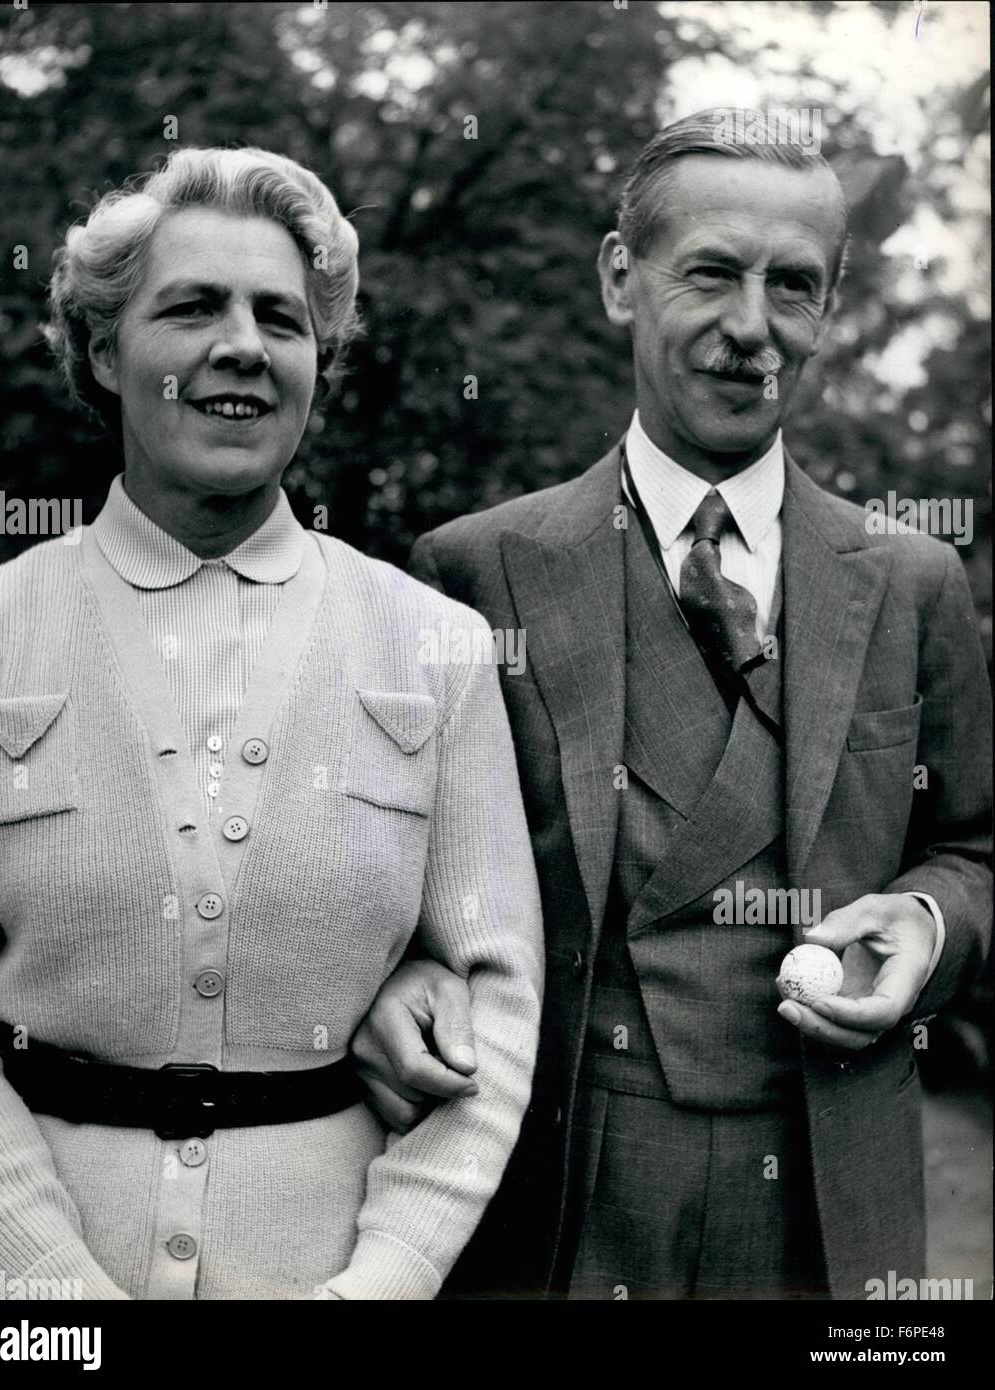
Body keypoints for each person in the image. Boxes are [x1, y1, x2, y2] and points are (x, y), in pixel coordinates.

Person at [352, 109, 992, 1300]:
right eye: (709, 272)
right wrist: (398, 980)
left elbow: (972, 847)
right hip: (557, 1183)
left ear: (827, 313)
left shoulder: (912, 582)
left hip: (822, 1192)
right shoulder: (473, 569)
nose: (751, 327)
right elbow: (394, 882)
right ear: (618, 279)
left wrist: (927, 920)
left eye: (792, 287)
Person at [0, 145, 543, 1300]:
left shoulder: (436, 643)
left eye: (282, 316)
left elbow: (494, 1010)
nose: (243, 343)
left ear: (317, 362)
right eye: (192, 307)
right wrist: (53, 1298)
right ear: (104, 349)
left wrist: (380, 1282)